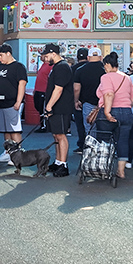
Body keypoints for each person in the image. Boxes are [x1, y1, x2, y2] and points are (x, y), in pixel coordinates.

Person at [95, 51, 133, 179]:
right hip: (127, 112)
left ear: (107, 64)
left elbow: (109, 94)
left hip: (110, 111)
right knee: (123, 141)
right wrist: (124, 107)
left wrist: (107, 112)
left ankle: (103, 169)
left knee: (104, 141)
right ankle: (121, 171)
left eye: (104, 66)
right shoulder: (126, 77)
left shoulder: (106, 77)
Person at [0, 44, 27, 163]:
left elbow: (22, 84)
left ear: (8, 53)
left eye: (1, 55)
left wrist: (18, 101)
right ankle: (8, 153)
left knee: (14, 130)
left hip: (12, 102)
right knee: (6, 130)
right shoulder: (0, 67)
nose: (0, 58)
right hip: (1, 102)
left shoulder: (18, 67)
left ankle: (18, 154)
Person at [41, 43, 75, 177]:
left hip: (61, 107)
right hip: (55, 107)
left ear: (53, 54)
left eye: (47, 56)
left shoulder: (62, 67)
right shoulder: (56, 67)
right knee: (56, 135)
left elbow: (58, 89)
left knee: (61, 135)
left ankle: (63, 165)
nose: (45, 58)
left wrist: (49, 106)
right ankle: (58, 162)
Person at [73, 47, 105, 151]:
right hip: (105, 103)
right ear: (101, 57)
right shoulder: (105, 69)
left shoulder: (80, 70)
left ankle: (92, 150)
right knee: (105, 128)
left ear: (88, 57)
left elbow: (76, 88)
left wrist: (76, 101)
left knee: (90, 127)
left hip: (87, 103)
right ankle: (104, 149)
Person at [71, 48, 89, 151]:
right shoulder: (94, 67)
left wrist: (75, 100)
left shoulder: (74, 69)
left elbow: (75, 87)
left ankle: (82, 144)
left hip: (78, 99)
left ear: (77, 57)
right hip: (92, 99)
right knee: (91, 124)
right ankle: (91, 144)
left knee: (80, 124)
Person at [33, 58, 52, 132]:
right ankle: (43, 124)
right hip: (38, 89)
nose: (41, 57)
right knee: (38, 107)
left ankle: (44, 125)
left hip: (44, 90)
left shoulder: (51, 66)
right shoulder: (43, 65)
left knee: (43, 108)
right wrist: (35, 89)